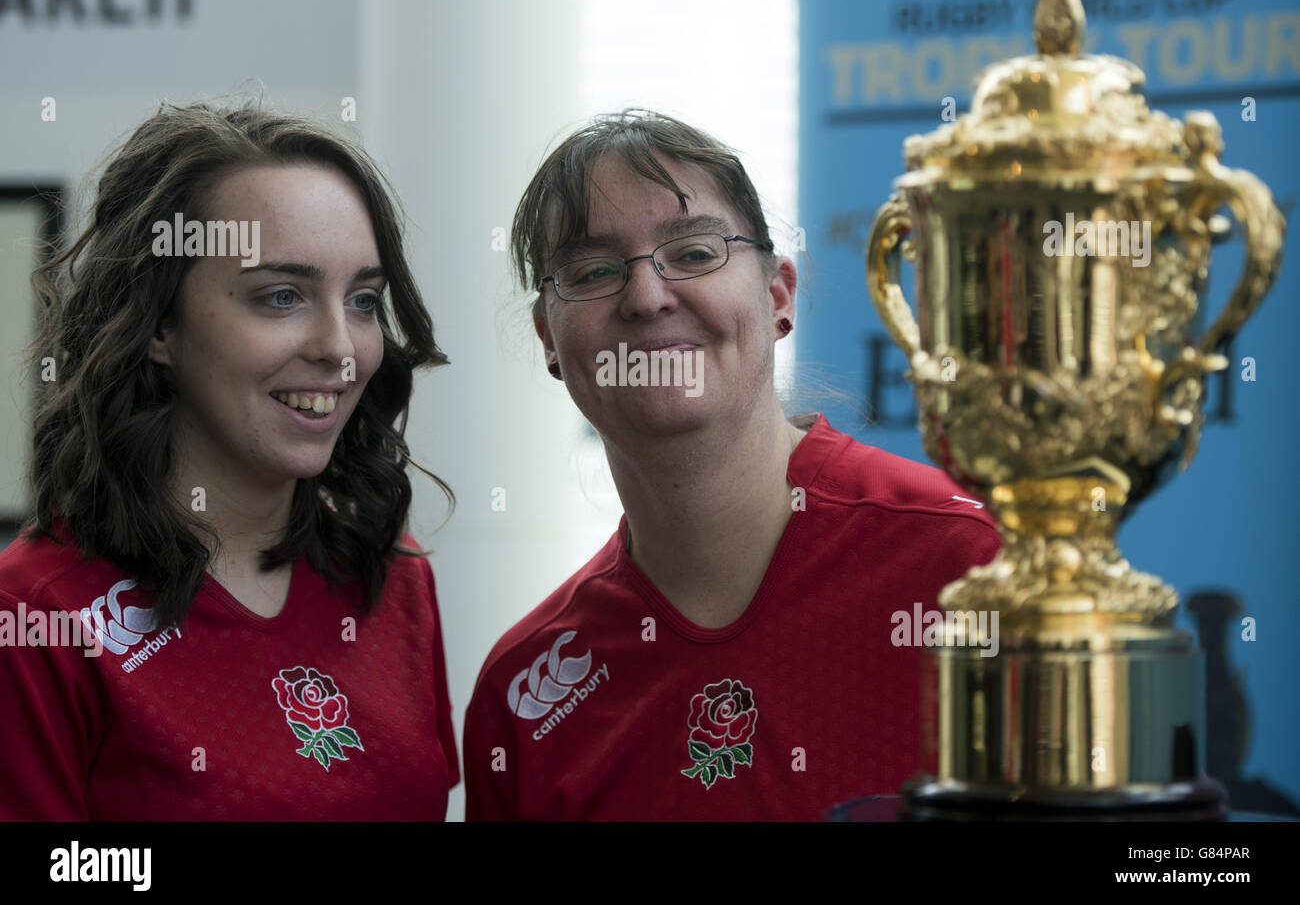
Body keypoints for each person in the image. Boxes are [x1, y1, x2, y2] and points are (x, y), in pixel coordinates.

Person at [464, 109, 1001, 820]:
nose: (647, 297)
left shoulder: (970, 568)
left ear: (779, 295)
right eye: (593, 271)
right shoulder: (525, 694)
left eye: (693, 254)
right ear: (549, 341)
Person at [0, 102, 459, 820]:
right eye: (282, 296)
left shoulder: (393, 573)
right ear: (159, 323)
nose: (340, 348)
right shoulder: (36, 613)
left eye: (364, 301)